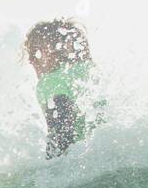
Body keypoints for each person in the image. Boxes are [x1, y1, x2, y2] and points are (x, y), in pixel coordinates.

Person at [23, 19, 104, 158]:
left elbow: (62, 117)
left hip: (84, 158)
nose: (31, 60)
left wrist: (53, 165)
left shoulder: (50, 81)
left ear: (51, 51)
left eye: (34, 53)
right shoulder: (91, 71)